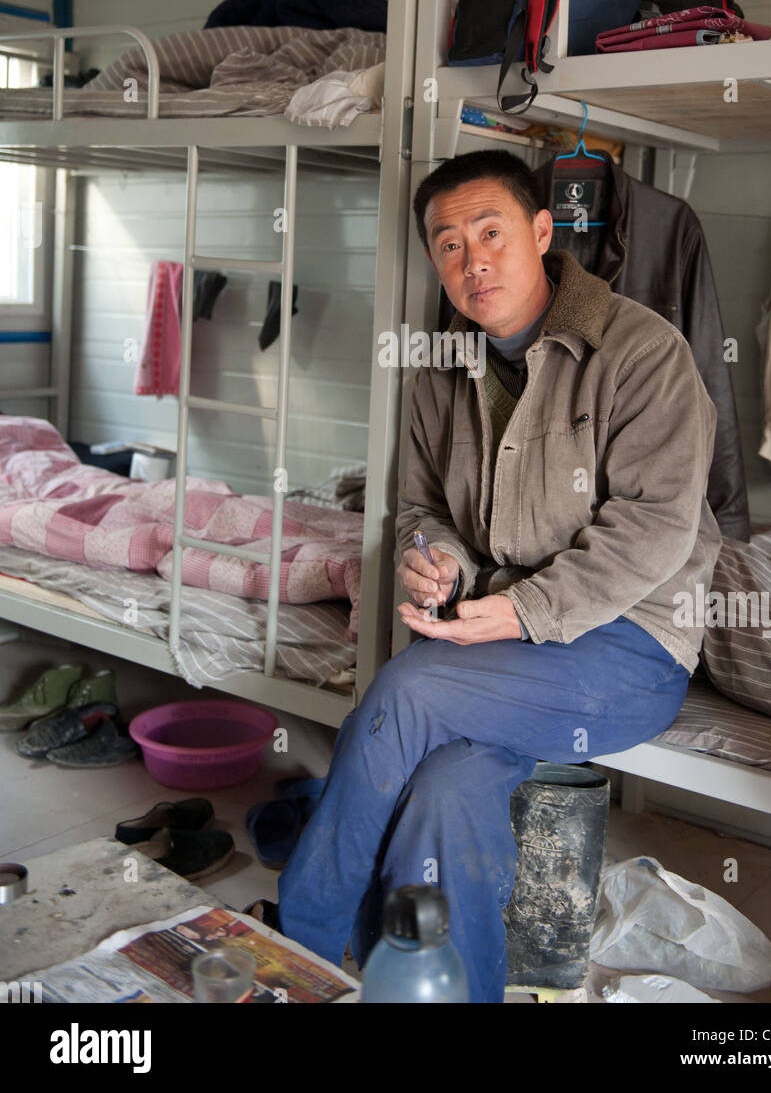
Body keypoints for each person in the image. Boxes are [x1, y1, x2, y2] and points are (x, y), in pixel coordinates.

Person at [277, 149, 722, 1002]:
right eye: (447, 244)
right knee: (446, 788)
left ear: (542, 233)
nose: (471, 259)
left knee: (411, 692)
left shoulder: (640, 351)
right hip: (505, 653)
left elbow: (655, 527)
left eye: (490, 232)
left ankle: (299, 954)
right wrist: (435, 556)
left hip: (625, 649)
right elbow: (417, 506)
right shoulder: (442, 366)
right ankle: (449, 989)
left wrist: (519, 610)